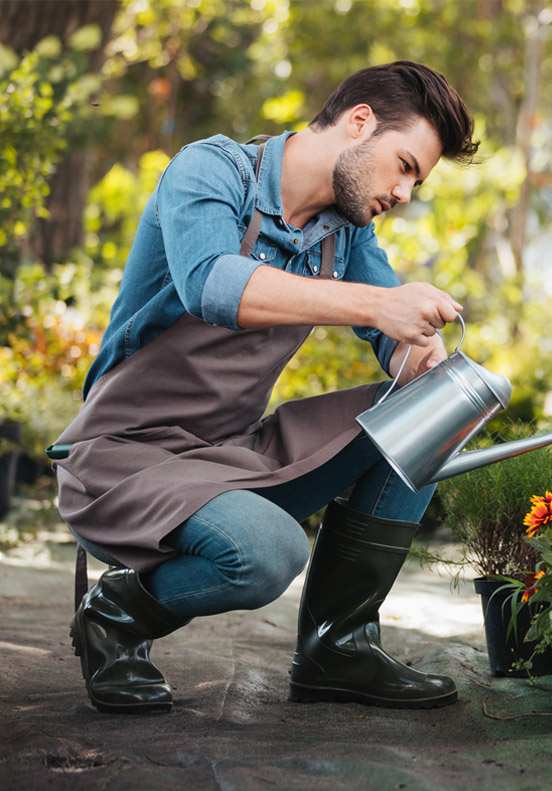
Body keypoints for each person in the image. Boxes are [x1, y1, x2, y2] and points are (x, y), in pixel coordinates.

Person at [51, 61, 478, 715]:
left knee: (434, 407)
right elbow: (213, 285)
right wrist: (372, 307)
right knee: (265, 553)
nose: (405, 192)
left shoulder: (347, 233)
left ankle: (338, 647)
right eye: (405, 165)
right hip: (125, 457)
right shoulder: (213, 172)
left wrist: (416, 355)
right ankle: (117, 612)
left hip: (229, 454)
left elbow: (395, 329)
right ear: (359, 122)